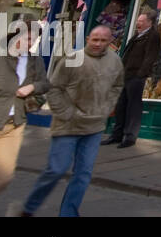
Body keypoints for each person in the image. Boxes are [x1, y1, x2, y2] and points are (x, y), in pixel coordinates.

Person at [21, 25, 123, 217]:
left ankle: (68, 213)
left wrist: (107, 107)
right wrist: (66, 113)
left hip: (94, 126)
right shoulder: (73, 59)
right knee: (56, 170)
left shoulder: (115, 61)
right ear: (87, 39)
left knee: (83, 174)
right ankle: (29, 208)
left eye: (103, 40)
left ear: (110, 42)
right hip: (68, 125)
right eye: (94, 39)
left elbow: (117, 86)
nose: (98, 44)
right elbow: (54, 88)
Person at [0, 19, 49, 216]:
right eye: (27, 38)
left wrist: (33, 87)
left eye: (33, 39)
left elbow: (45, 83)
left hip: (15, 125)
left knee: (3, 178)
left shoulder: (35, 61)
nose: (30, 43)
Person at [103, 10, 160, 148]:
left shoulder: (152, 36)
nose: (138, 23)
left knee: (133, 107)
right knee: (121, 106)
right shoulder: (136, 36)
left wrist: (141, 74)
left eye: (141, 21)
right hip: (125, 75)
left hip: (136, 76)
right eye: (138, 20)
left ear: (149, 23)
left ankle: (130, 137)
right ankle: (117, 134)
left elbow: (150, 57)